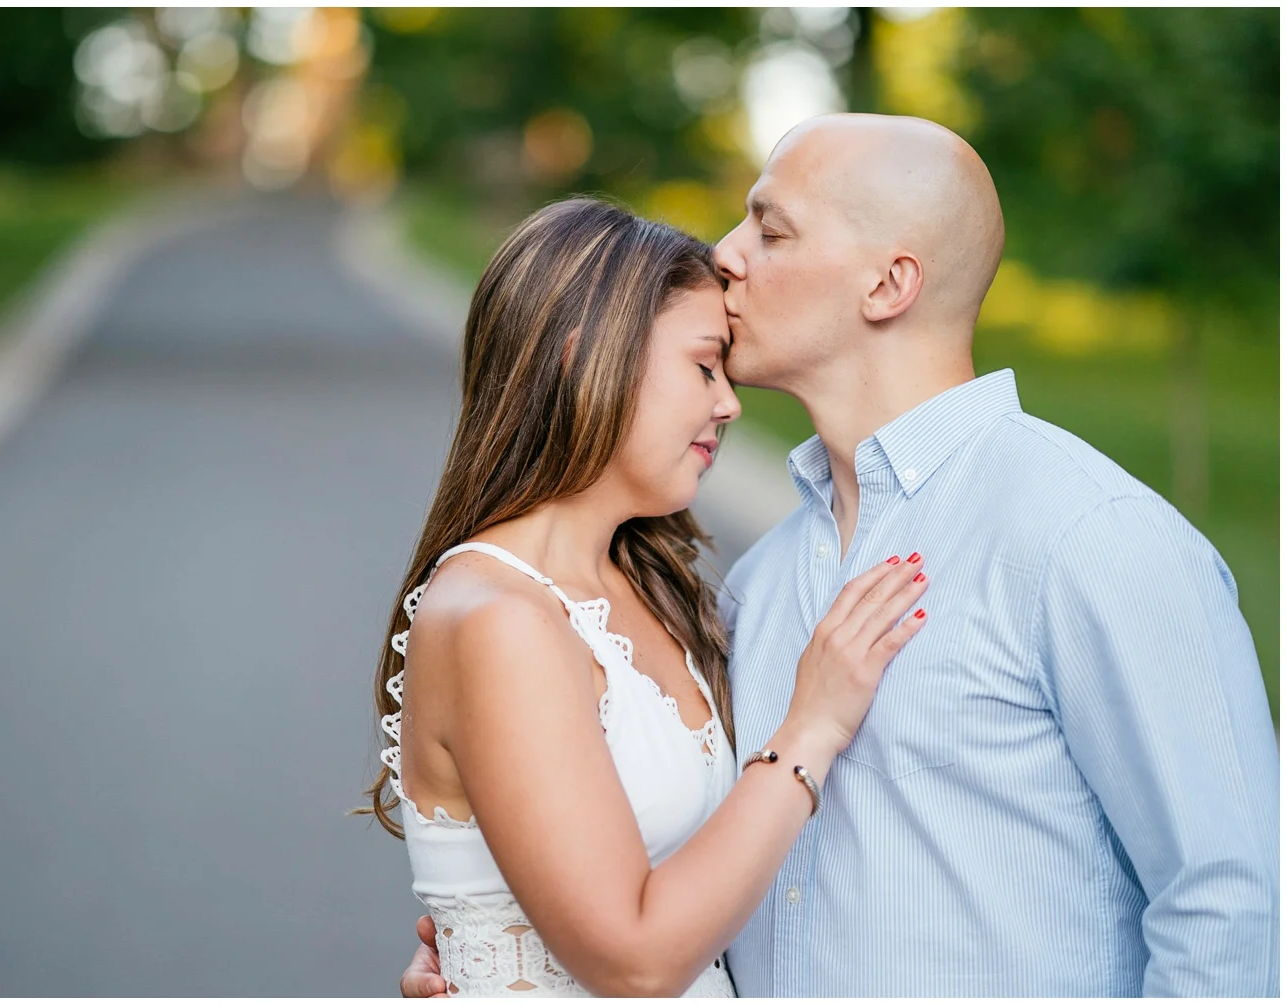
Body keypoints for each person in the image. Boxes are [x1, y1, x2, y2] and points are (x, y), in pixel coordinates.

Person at [400, 114, 1279, 997]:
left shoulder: (1088, 539)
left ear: (889, 283)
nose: (724, 253)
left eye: (769, 229)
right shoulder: (758, 585)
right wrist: (504, 954)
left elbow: (1234, 908)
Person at [363, 196, 931, 997]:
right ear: (580, 357)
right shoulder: (498, 617)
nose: (729, 403)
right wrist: (812, 728)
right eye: (703, 366)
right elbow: (633, 960)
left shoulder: (650, 589)